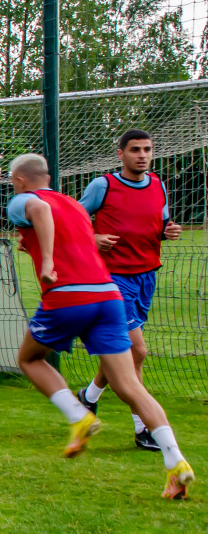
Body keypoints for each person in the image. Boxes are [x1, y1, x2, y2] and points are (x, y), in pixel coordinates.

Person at [6, 153, 193, 498]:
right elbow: (72, 236)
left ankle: (79, 415)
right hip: (108, 296)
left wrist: (45, 259)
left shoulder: (22, 200)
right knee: (131, 387)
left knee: (30, 359)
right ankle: (177, 463)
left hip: (67, 295)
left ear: (19, 181)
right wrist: (33, 244)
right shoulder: (75, 207)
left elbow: (40, 212)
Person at [74, 129, 182, 450]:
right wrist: (92, 239)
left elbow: (158, 225)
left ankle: (88, 396)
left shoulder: (158, 185)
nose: (143, 155)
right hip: (111, 280)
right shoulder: (103, 185)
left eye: (147, 149)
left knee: (121, 352)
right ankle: (143, 428)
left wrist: (168, 231)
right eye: (135, 149)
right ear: (120, 153)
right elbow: (72, 221)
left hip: (146, 277)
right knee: (137, 351)